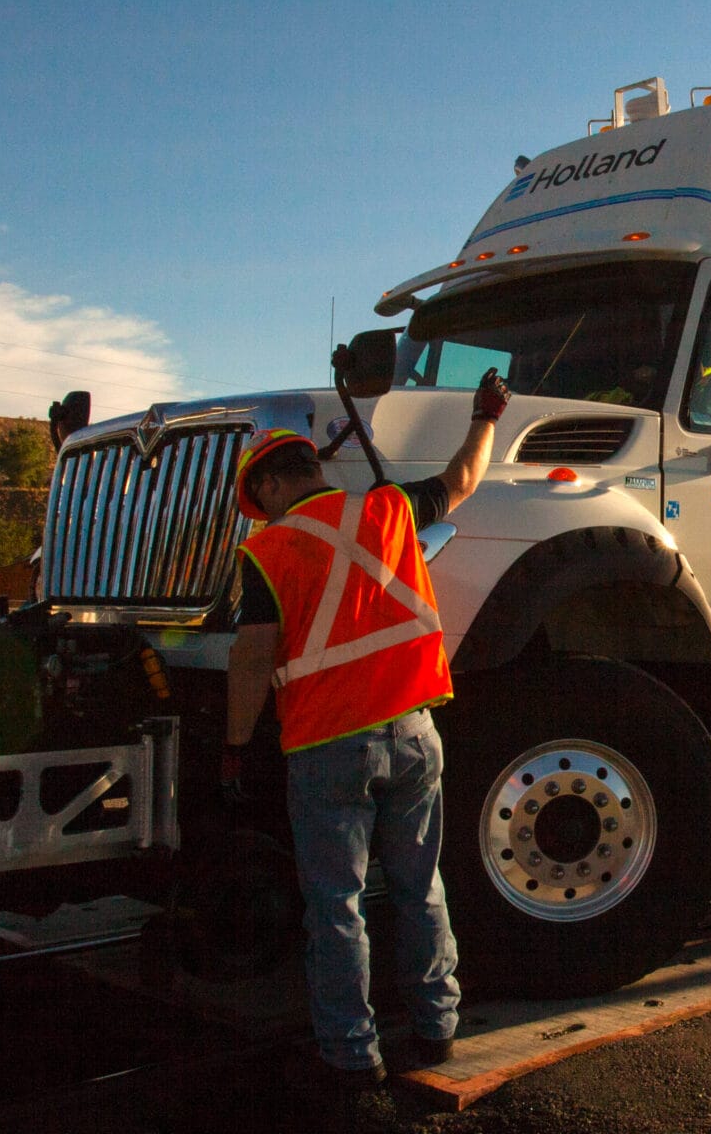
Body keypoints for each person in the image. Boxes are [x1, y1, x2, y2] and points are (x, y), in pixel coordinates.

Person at [223, 370, 509, 1092]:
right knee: (421, 887)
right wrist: (485, 414)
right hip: (415, 734)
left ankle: (353, 1055)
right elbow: (464, 477)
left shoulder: (271, 553)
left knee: (337, 905)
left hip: (327, 747)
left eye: (261, 505)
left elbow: (253, 656)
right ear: (313, 470)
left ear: (273, 491)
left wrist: (234, 747)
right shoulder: (388, 509)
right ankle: (438, 1027)